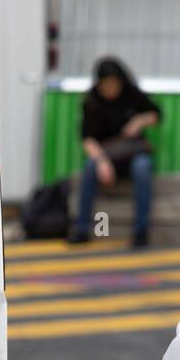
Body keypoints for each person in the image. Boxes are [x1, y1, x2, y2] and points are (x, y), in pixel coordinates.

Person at [69, 57, 160, 248]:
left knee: (143, 167)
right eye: (106, 85)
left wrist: (138, 122)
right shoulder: (91, 102)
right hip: (106, 157)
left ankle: (140, 232)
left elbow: (156, 114)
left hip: (134, 154)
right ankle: (82, 228)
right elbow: (87, 139)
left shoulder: (132, 95)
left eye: (114, 84)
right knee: (90, 168)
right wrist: (102, 161)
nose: (110, 89)